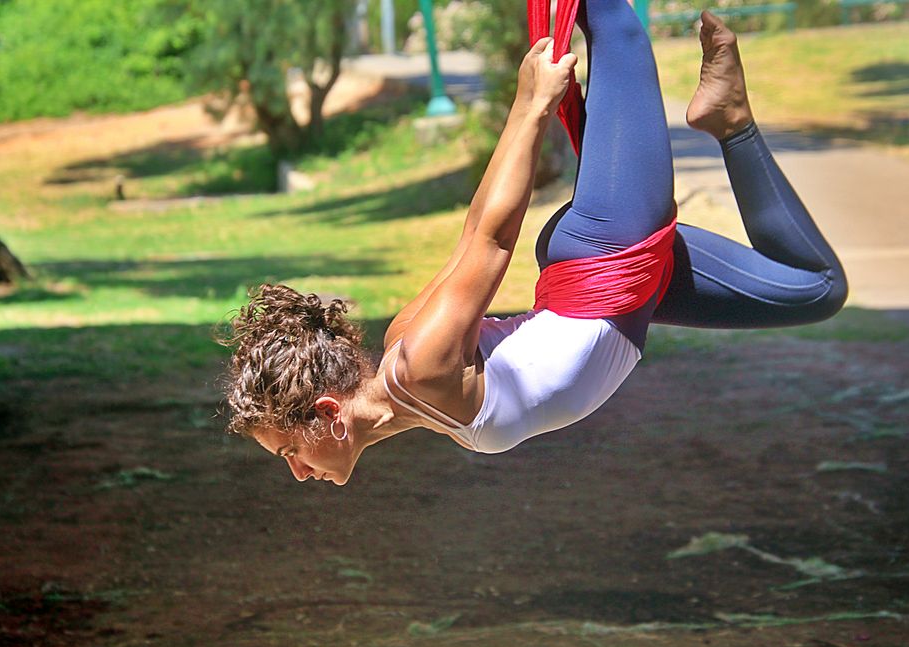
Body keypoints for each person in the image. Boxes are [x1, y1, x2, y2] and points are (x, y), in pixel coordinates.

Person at [221, 3, 847, 485]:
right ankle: (728, 117)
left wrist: (532, 105)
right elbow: (474, 238)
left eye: (289, 451)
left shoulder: (421, 364)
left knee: (614, 26)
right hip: (628, 298)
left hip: (609, 260)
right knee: (815, 289)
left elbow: (487, 239)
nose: (298, 471)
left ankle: (725, 115)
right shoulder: (407, 365)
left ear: (327, 414)